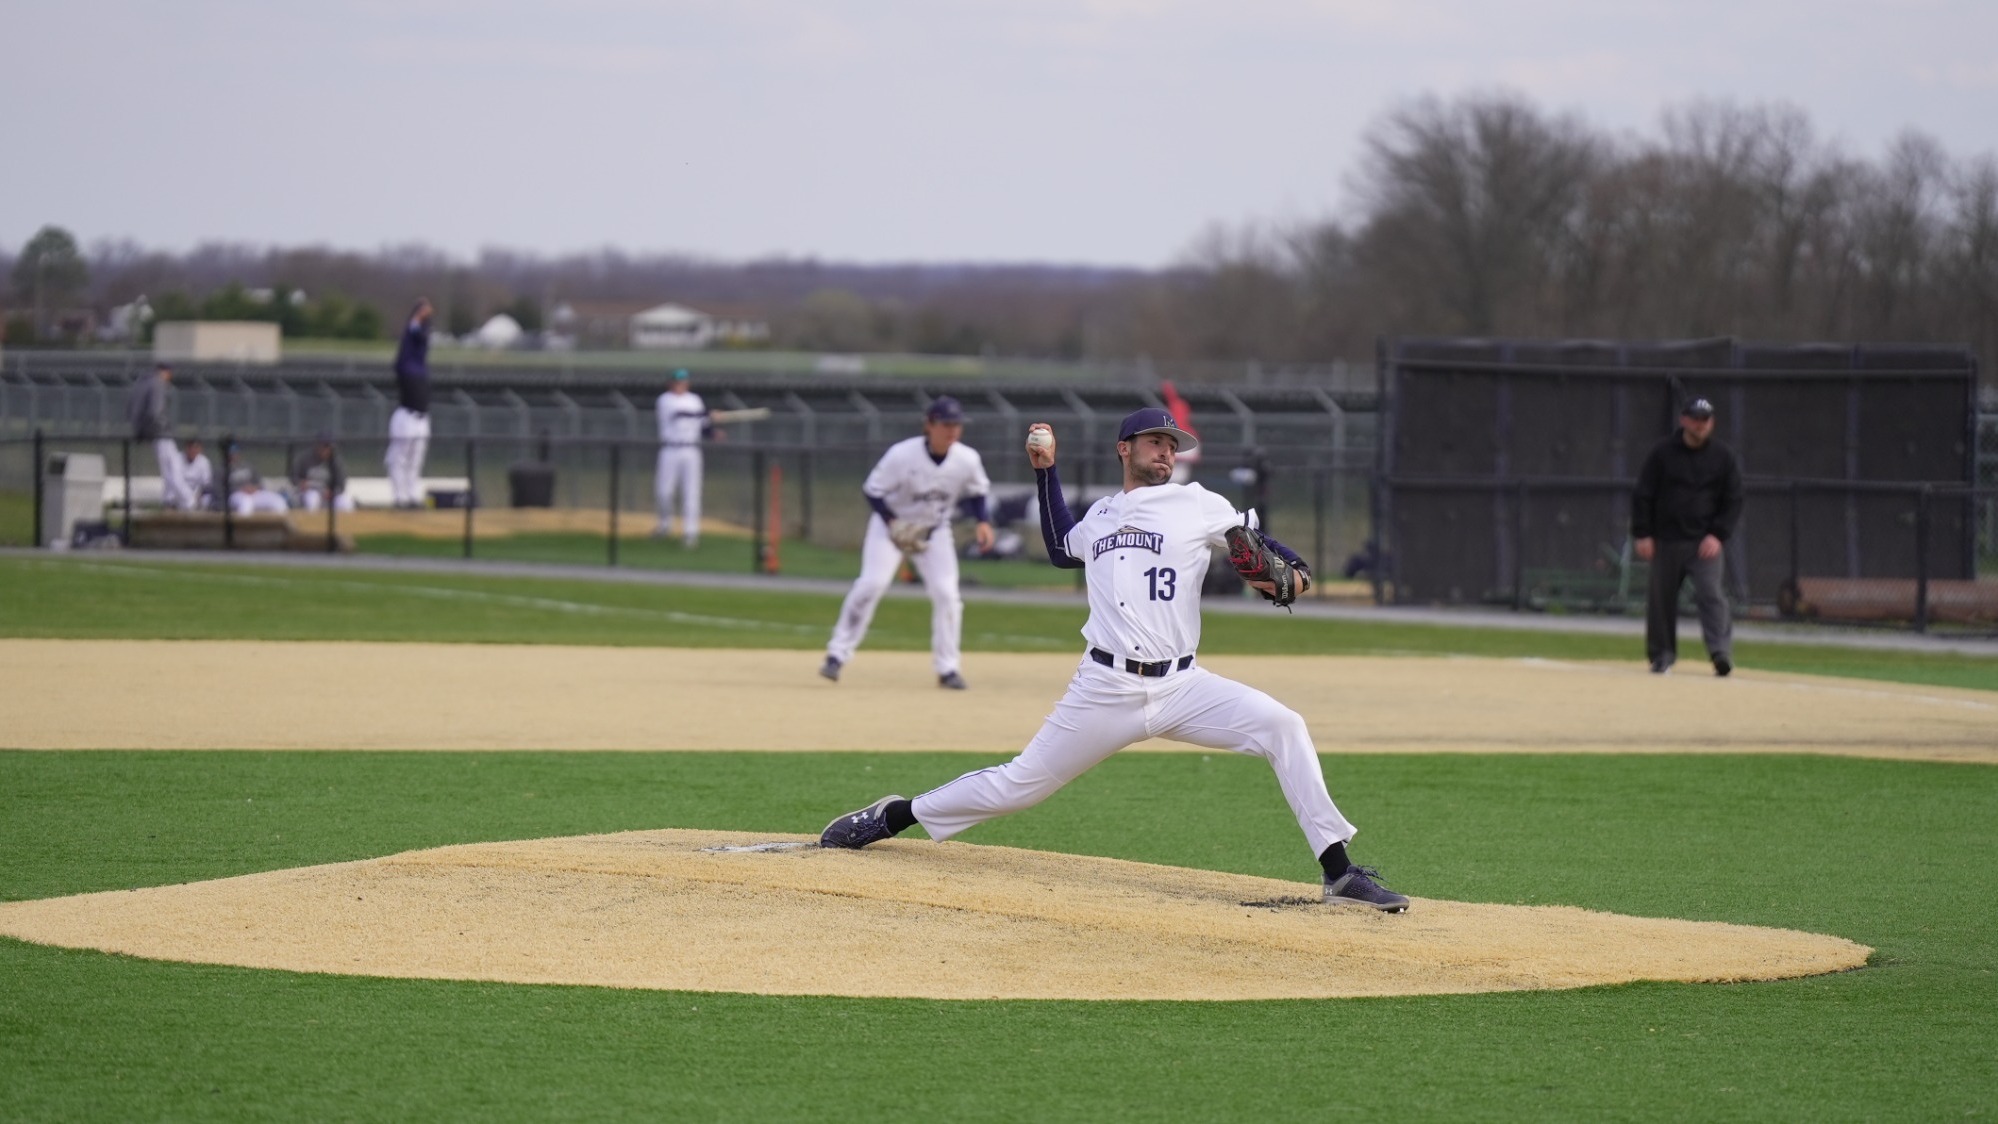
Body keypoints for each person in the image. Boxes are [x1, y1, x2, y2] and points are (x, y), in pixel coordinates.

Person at [818, 409, 1410, 913]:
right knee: (1019, 787)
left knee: (1284, 726)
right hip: (1104, 687)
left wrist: (1296, 572)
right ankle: (896, 815)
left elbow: (1262, 546)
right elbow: (1057, 548)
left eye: (1173, 445)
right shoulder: (1100, 516)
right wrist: (1045, 473)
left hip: (1183, 685)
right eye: (1156, 442)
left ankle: (1340, 872)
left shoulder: (1199, 503)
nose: (1167, 452)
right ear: (1125, 449)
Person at [819, 396, 994, 689]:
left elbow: (978, 492)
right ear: (929, 425)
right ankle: (836, 655)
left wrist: (983, 522)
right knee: (872, 584)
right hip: (891, 528)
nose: (952, 430)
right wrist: (892, 522)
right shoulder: (901, 455)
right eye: (945, 424)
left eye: (956, 425)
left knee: (947, 595)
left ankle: (947, 669)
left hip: (933, 531)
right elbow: (873, 491)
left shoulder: (967, 459)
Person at [1631, 396, 1745, 676]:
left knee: (1711, 594)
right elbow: (1643, 494)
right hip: (1666, 539)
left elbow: (1733, 500)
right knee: (1661, 600)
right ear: (1683, 420)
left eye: (1705, 420)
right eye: (1695, 419)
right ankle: (1662, 655)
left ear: (1712, 423)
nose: (1700, 425)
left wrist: (1717, 535)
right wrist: (1643, 533)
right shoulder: (1662, 453)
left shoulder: (1723, 457)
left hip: (1703, 542)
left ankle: (1720, 652)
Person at [653, 369, 714, 546]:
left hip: (691, 451)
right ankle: (664, 525)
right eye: (677, 381)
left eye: (683, 381)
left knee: (692, 493)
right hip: (670, 449)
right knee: (664, 492)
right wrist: (707, 413)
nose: (680, 384)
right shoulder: (665, 400)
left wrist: (712, 432)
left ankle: (690, 533)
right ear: (670, 383)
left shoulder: (695, 400)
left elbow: (702, 425)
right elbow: (680, 415)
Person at [385, 298, 434, 509]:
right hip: (405, 416)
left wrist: (424, 319)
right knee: (399, 459)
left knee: (415, 461)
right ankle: (400, 497)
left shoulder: (421, 362)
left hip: (422, 419)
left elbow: (421, 336)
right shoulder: (406, 364)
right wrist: (417, 315)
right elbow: (410, 335)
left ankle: (412, 496)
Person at [125, 363, 194, 510]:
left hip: (149, 431)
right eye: (170, 373)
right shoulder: (157, 383)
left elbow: (132, 408)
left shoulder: (142, 382)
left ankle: (169, 500)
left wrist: (141, 430)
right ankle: (188, 501)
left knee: (169, 466)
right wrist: (161, 428)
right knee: (173, 468)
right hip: (160, 432)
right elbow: (155, 411)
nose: (170, 377)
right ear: (165, 372)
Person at [290, 435, 353, 512]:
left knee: (345, 502)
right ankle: (311, 523)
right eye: (324, 446)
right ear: (317, 446)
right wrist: (300, 483)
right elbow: (294, 478)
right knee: (312, 498)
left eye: (328, 446)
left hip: (327, 495)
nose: (326, 449)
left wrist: (332, 492)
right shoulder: (305, 459)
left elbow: (341, 485)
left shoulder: (335, 462)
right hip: (309, 491)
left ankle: (343, 524)